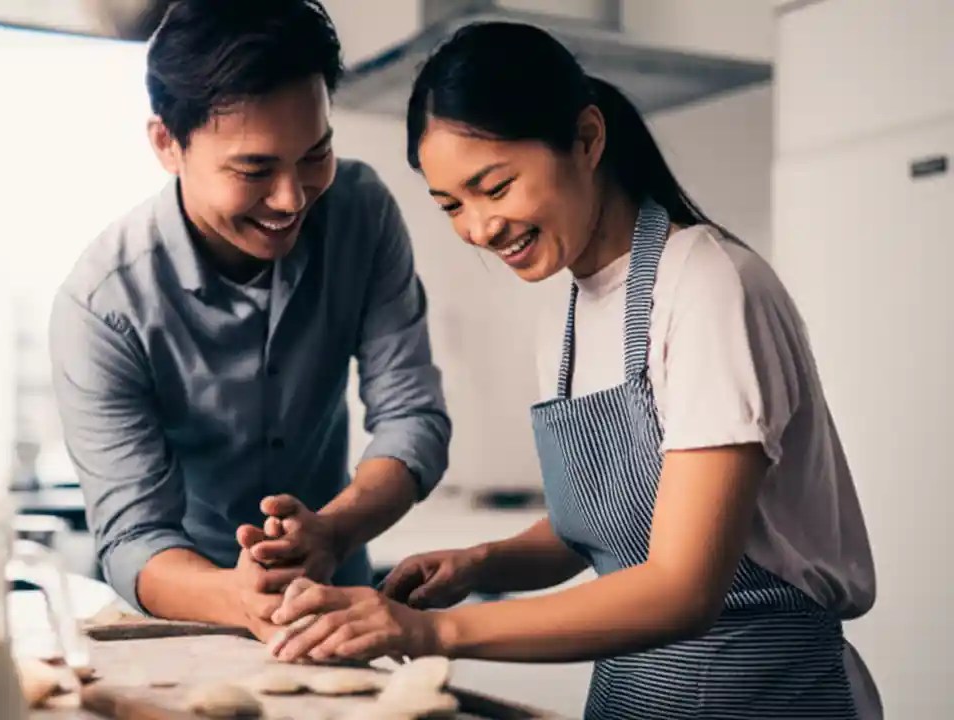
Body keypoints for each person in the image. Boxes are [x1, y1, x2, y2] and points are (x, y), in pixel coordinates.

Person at [266, 22, 880, 720]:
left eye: (493, 186)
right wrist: (483, 562)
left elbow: (683, 588)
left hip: (761, 695)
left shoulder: (707, 286)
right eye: (451, 206)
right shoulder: (568, 309)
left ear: (587, 140)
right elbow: (601, 530)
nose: (478, 228)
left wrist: (433, 631)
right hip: (634, 695)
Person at [48, 0, 451, 642]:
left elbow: (413, 419)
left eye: (315, 154)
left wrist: (334, 529)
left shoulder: (360, 212)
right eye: (253, 169)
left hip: (338, 601)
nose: (292, 199)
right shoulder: (102, 306)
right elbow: (132, 536)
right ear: (166, 144)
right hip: (190, 615)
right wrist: (239, 597)